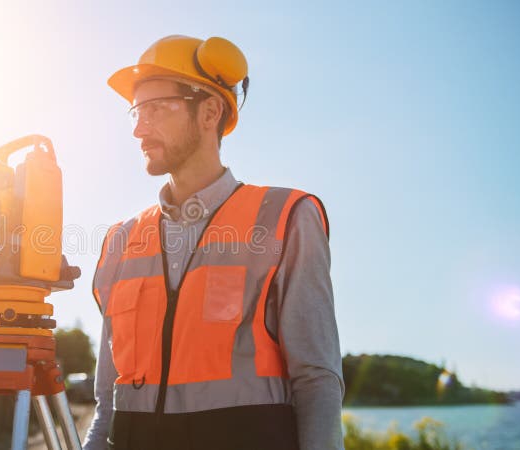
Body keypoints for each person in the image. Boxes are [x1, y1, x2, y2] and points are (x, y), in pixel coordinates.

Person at [83, 35, 344, 450]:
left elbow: (316, 379)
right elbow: (107, 398)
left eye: (154, 109)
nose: (137, 128)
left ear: (209, 112)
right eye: (136, 111)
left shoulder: (286, 217)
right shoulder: (120, 240)